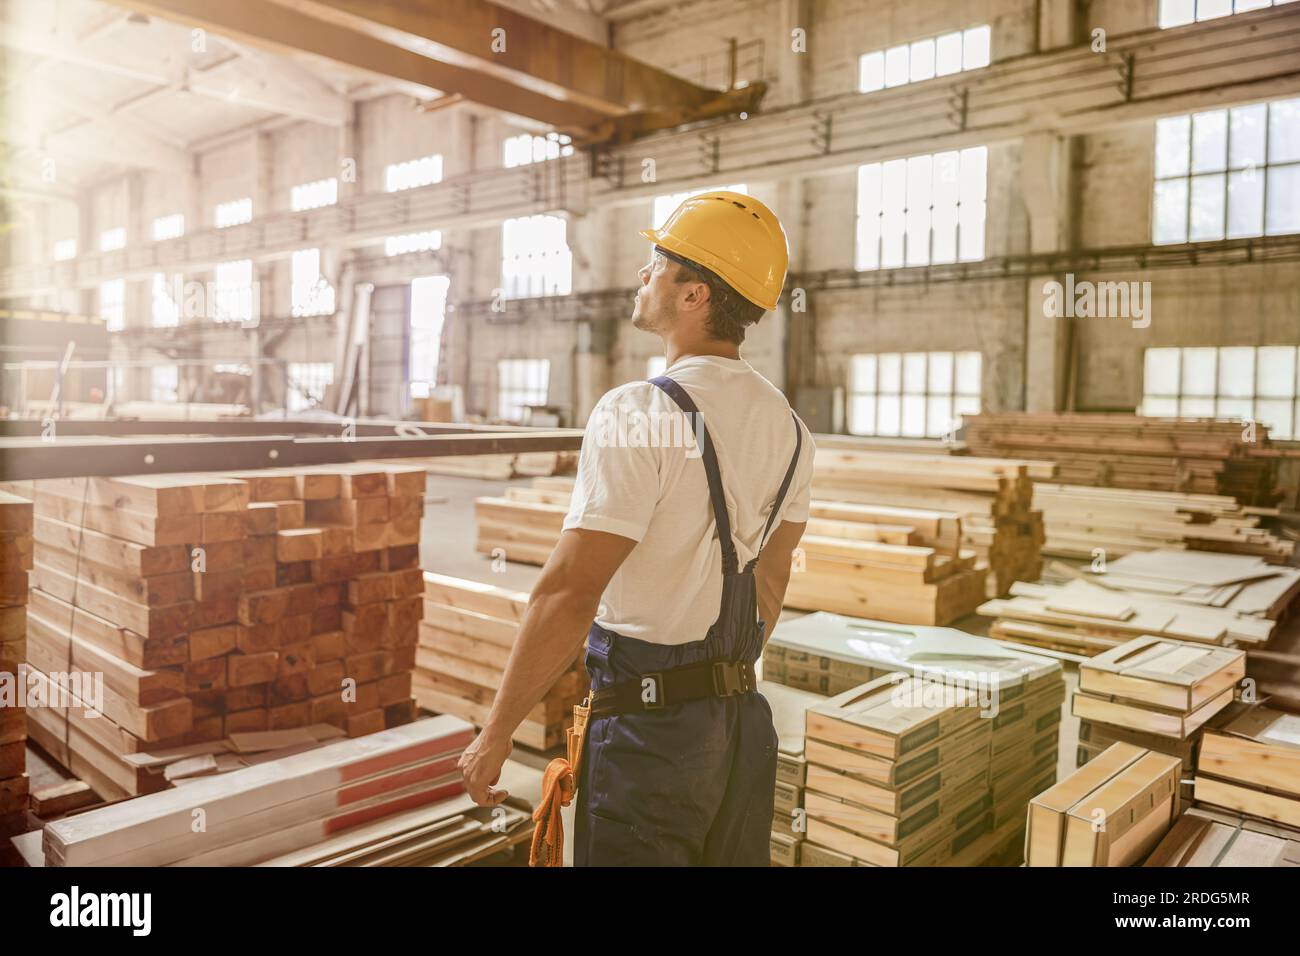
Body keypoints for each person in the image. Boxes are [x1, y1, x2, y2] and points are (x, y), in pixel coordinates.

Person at [458, 190, 815, 866]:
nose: (642, 275)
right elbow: (770, 585)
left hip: (651, 744)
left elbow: (568, 591)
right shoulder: (791, 429)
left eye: (658, 263)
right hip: (742, 729)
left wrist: (495, 733)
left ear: (694, 295)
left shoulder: (637, 411)